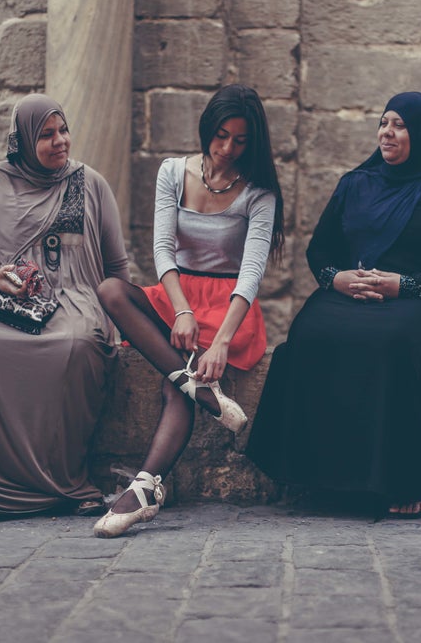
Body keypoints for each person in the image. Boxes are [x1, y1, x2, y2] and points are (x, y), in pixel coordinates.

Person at [245, 91, 421, 518]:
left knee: (393, 342)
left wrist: (403, 285)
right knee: (308, 333)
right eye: (384, 123)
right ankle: (323, 475)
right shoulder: (356, 183)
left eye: (401, 125)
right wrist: (337, 279)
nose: (388, 132)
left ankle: (408, 479)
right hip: (356, 291)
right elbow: (319, 252)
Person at [0, 94, 131, 527]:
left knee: (77, 344)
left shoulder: (89, 183)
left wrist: (121, 321)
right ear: (22, 141)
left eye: (63, 131)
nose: (60, 142)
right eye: (47, 135)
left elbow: (115, 266)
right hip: (6, 302)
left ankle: (64, 484)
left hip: (74, 299)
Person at [92, 84, 284, 538]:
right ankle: (198, 388)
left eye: (239, 140)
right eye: (220, 136)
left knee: (169, 385)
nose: (226, 149)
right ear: (206, 129)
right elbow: (163, 248)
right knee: (112, 291)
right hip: (176, 295)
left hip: (227, 309)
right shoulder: (173, 172)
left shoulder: (259, 193)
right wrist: (180, 310)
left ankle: (144, 489)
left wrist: (218, 342)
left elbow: (251, 275)